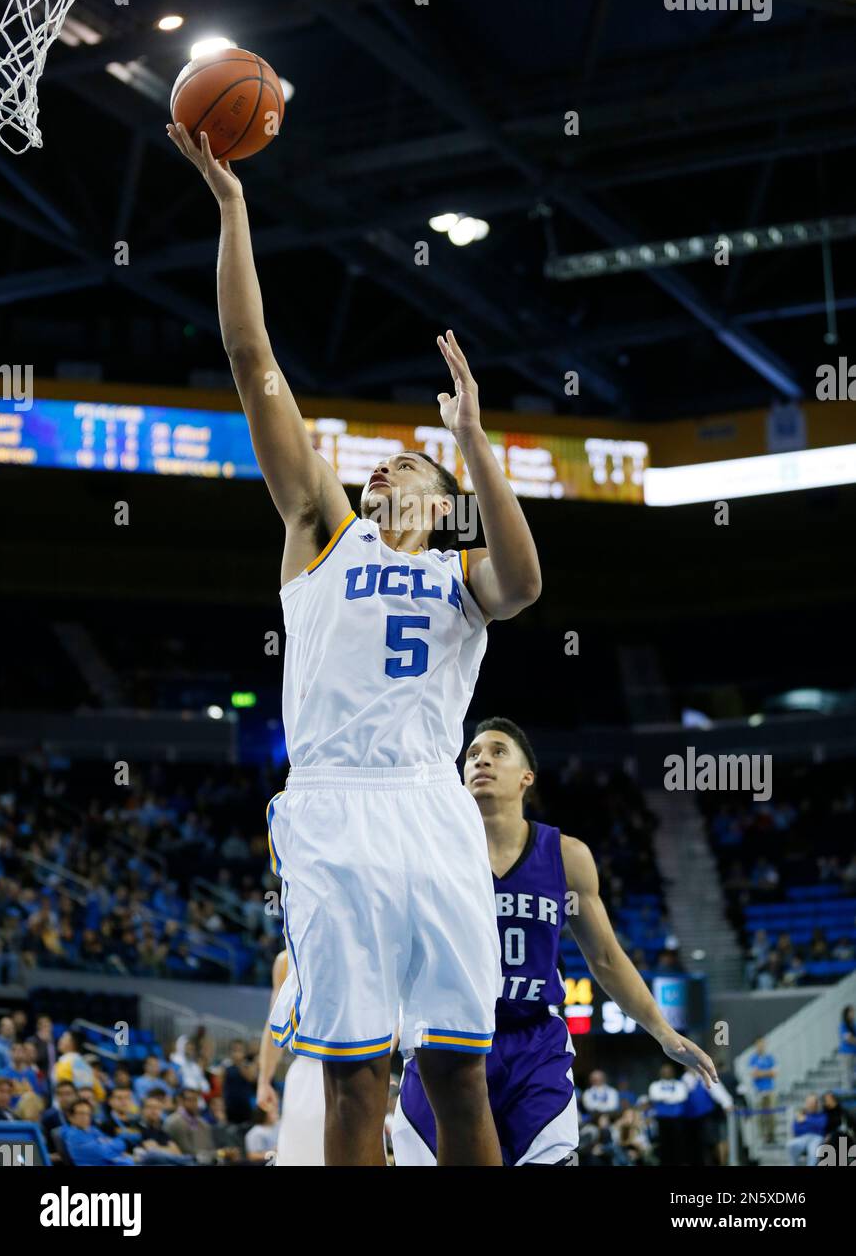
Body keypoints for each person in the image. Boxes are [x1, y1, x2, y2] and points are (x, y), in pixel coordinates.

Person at [168, 124, 543, 1167]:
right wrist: (234, 209)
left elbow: (523, 584)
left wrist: (469, 444)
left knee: (458, 1071)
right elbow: (252, 364)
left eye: (401, 471)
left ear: (443, 503)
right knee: (353, 1078)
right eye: (373, 467)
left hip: (429, 805)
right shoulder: (320, 535)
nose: (379, 475)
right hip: (333, 806)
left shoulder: (460, 571)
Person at [391, 720, 717, 1166]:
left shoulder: (566, 856)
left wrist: (661, 1030)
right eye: (472, 754)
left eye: (499, 751)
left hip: (533, 1043)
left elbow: (604, 957)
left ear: (528, 776)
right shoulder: (425, 852)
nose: (481, 759)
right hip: (447, 1039)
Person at [257, 950, 324, 1166]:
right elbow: (273, 1023)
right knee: (299, 1157)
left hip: (356, 1062)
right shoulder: (287, 960)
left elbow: (391, 1014)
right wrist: (264, 1080)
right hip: (308, 1066)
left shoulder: (361, 942)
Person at [164, 1088, 216, 1160]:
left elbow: (210, 1147)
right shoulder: (175, 1122)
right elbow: (186, 1151)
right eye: (190, 1100)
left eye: (195, 1100)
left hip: (206, 1160)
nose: (194, 1103)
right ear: (181, 1101)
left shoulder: (204, 1124)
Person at [748, 1037, 777, 1144]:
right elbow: (754, 1074)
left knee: (772, 1114)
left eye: (762, 1044)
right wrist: (767, 1072)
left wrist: (761, 1073)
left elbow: (774, 1074)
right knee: (760, 1115)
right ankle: (762, 1136)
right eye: (759, 1044)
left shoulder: (769, 1057)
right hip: (758, 1091)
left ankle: (771, 1135)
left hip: (770, 1090)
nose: (761, 1046)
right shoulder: (753, 1058)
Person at [788, 1094, 826, 1166]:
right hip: (803, 1138)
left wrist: (806, 1120)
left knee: (813, 1152)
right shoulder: (801, 1114)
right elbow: (796, 1130)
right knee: (790, 1145)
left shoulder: (821, 1114)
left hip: (817, 1137)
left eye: (812, 1102)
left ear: (816, 1103)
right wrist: (812, 1124)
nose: (810, 1104)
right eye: (808, 1102)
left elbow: (821, 1126)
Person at [245, 1090, 281, 1164]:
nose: (276, 1112)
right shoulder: (255, 1132)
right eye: (272, 1111)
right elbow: (252, 1156)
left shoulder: (279, 1125)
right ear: (264, 1113)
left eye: (276, 1110)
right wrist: (273, 1152)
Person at [839, 1005, 856, 1091]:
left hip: (854, 1052)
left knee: (853, 1073)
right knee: (846, 1073)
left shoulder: (853, 1024)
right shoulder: (843, 1025)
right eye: (851, 1012)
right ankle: (847, 1091)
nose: (853, 1014)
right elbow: (848, 1038)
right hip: (846, 1053)